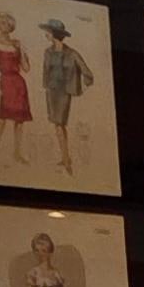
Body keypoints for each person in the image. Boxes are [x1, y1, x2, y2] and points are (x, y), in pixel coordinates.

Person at [36, 18, 95, 172]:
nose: (46, 35)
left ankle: (66, 160)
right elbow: (45, 72)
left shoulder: (72, 53)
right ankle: (65, 158)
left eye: (48, 32)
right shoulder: (47, 52)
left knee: (59, 125)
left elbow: (88, 74)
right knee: (58, 125)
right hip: (51, 92)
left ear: (55, 34)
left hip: (64, 93)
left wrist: (81, 88)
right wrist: (46, 86)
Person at [0, 10, 32, 165]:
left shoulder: (16, 43)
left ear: (10, 25)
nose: (0, 25)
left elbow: (26, 68)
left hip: (19, 84)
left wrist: (22, 50)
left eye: (3, 22)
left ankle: (17, 153)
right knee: (1, 119)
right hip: (5, 82)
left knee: (19, 120)